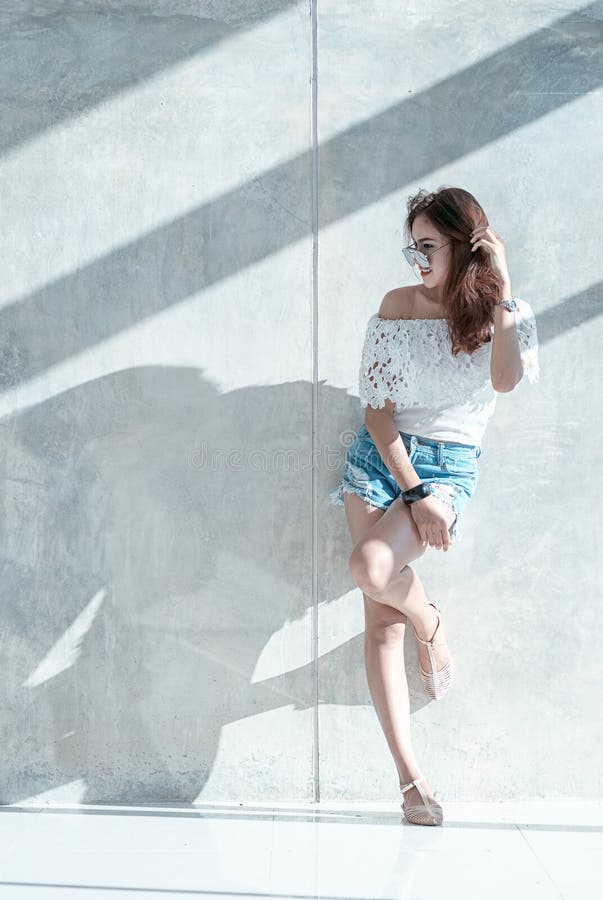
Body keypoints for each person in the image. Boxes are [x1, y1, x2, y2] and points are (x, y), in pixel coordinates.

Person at [329, 186, 539, 826]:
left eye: (428, 247)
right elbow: (377, 414)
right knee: (380, 617)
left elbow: (505, 380)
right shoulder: (397, 306)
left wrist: (503, 289)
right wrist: (412, 494)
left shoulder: (505, 312)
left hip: (449, 465)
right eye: (412, 247)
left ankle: (428, 623)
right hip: (382, 457)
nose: (417, 260)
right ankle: (412, 783)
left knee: (371, 568)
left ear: (464, 246)